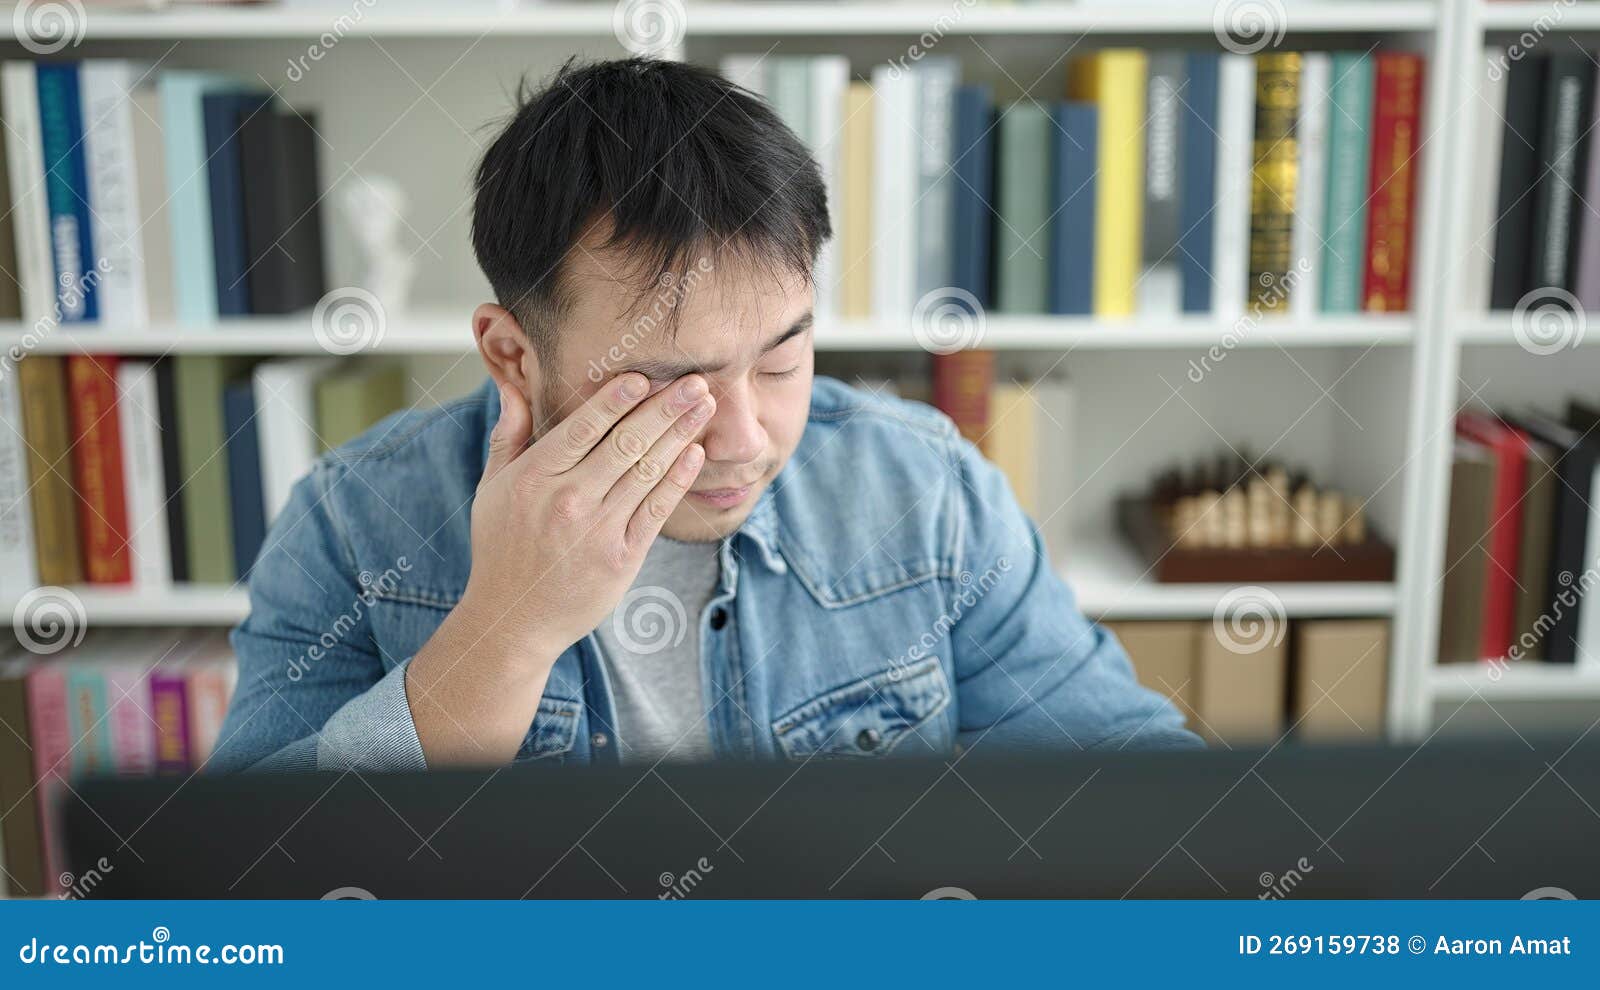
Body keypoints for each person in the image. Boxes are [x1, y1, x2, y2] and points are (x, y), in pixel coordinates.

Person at [211, 57, 1200, 773]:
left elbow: (1129, 784)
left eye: (781, 358)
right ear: (513, 353)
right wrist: (506, 631)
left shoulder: (924, 492)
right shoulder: (349, 527)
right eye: (666, 386)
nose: (743, 439)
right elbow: (258, 907)